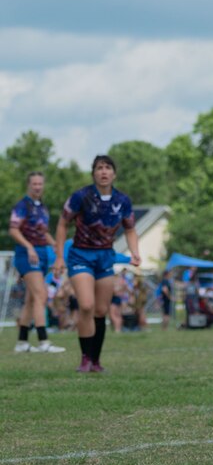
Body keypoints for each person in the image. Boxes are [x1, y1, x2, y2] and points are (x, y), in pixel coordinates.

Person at [54, 155, 141, 373]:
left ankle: (95, 361)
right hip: (80, 256)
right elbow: (63, 223)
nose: (103, 172)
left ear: (114, 173)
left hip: (105, 257)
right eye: (99, 168)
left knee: (101, 310)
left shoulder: (122, 200)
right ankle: (85, 358)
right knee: (86, 305)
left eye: (108, 168)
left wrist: (135, 253)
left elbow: (130, 229)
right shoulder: (81, 197)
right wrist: (59, 256)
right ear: (93, 173)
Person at [9, 172, 65, 354]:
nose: (37, 187)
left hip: (42, 254)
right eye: (34, 184)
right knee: (41, 295)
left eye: (40, 184)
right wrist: (29, 247)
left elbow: (43, 232)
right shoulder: (22, 205)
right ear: (29, 185)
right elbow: (14, 230)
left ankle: (22, 342)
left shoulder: (42, 208)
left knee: (31, 299)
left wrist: (55, 245)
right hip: (27, 255)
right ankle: (43, 341)